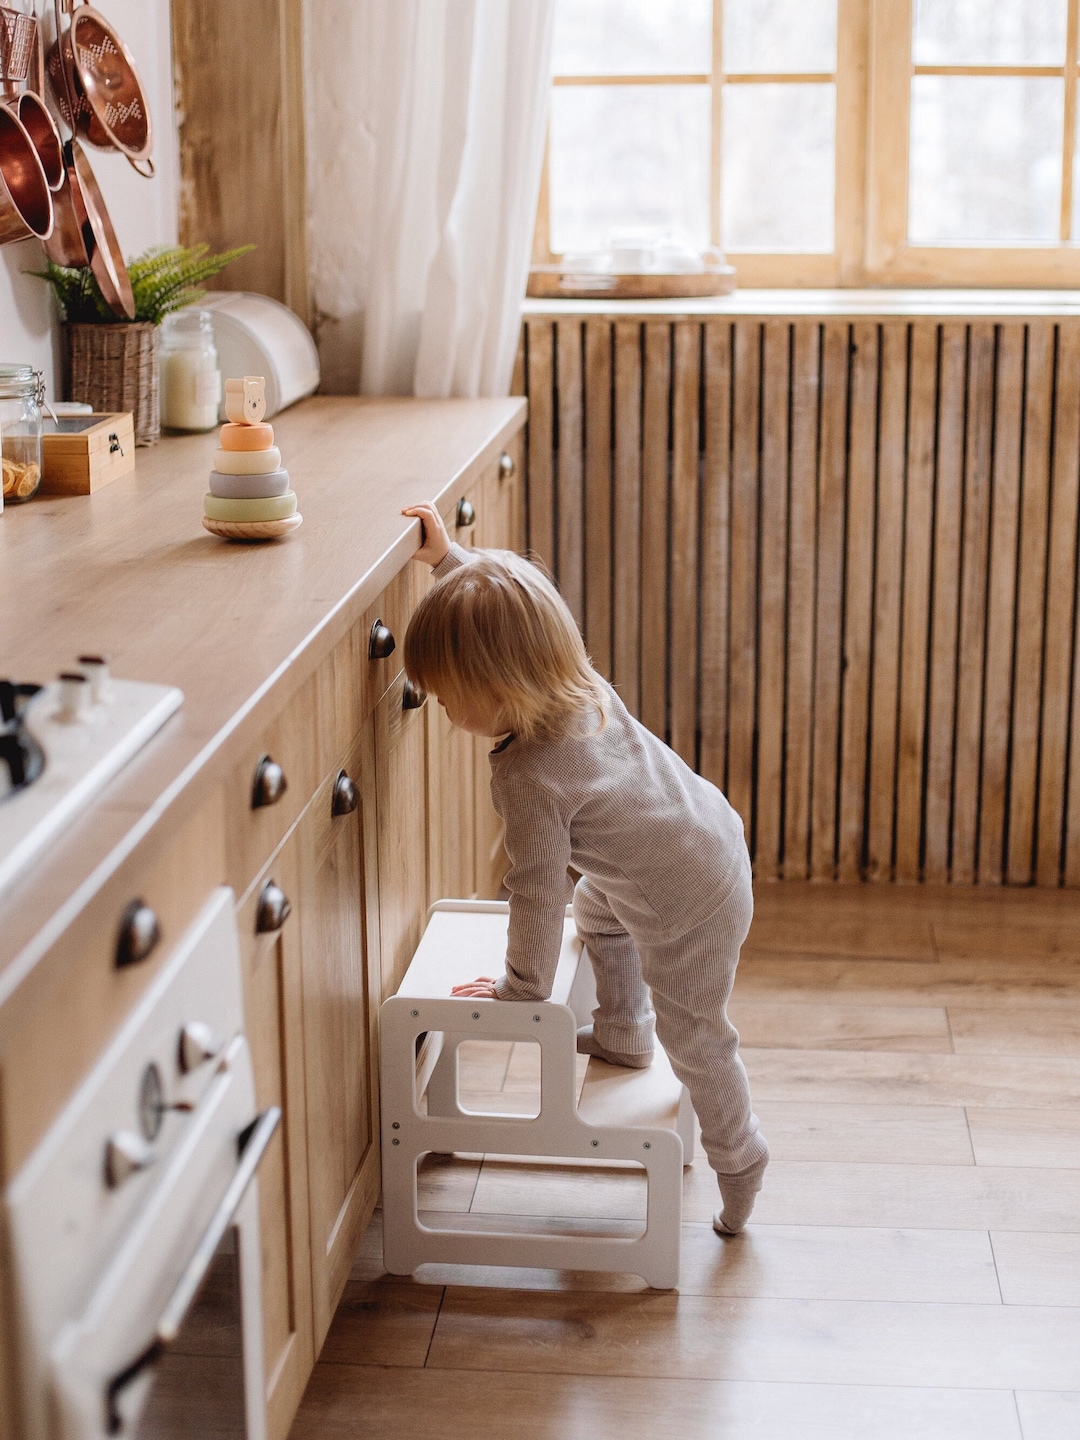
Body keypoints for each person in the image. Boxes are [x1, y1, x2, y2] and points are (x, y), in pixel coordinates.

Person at [400, 500, 769, 1236]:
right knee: (601, 907)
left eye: (446, 694)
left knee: (697, 1038)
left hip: (688, 905)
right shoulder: (571, 680)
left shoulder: (529, 775)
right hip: (705, 835)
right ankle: (624, 1033)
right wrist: (449, 561)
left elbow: (537, 892)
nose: (439, 705)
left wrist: (521, 990)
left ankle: (742, 1158)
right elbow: (512, 612)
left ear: (499, 690)